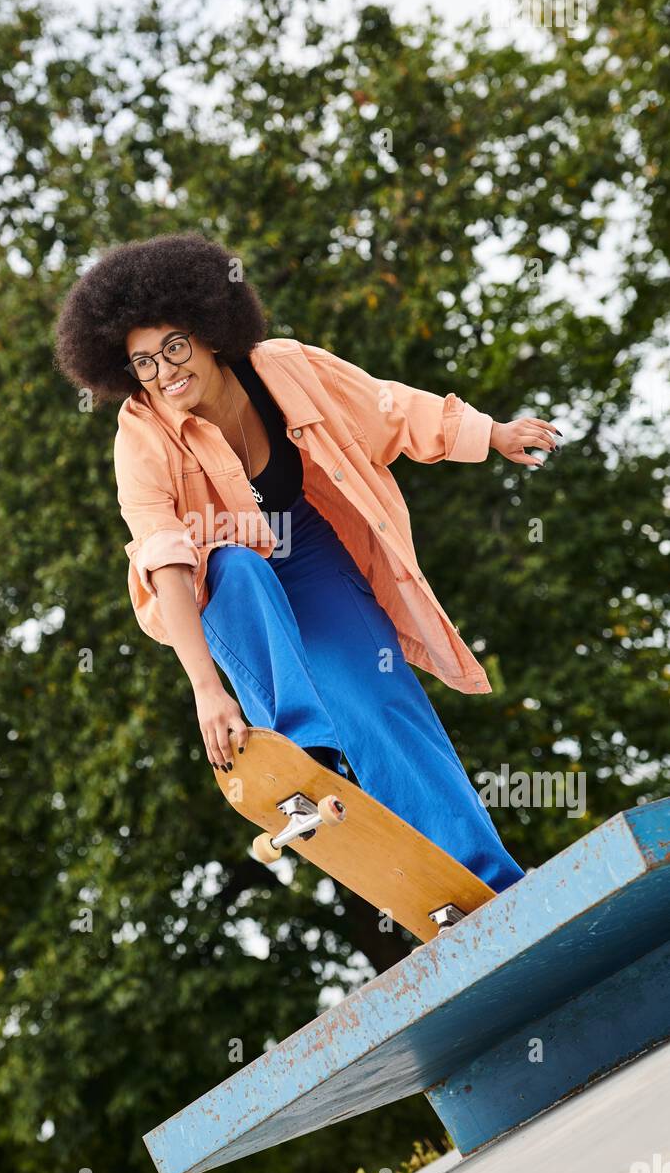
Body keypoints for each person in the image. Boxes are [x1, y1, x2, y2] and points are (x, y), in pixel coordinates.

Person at [54, 232, 560, 892]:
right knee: (235, 562)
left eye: (174, 346)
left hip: (311, 550)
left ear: (209, 330)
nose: (165, 372)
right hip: (222, 587)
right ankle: (300, 752)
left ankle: (486, 878)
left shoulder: (286, 367)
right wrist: (209, 692)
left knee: (382, 705)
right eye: (143, 362)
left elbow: (388, 409)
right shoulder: (142, 435)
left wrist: (489, 433)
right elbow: (166, 560)